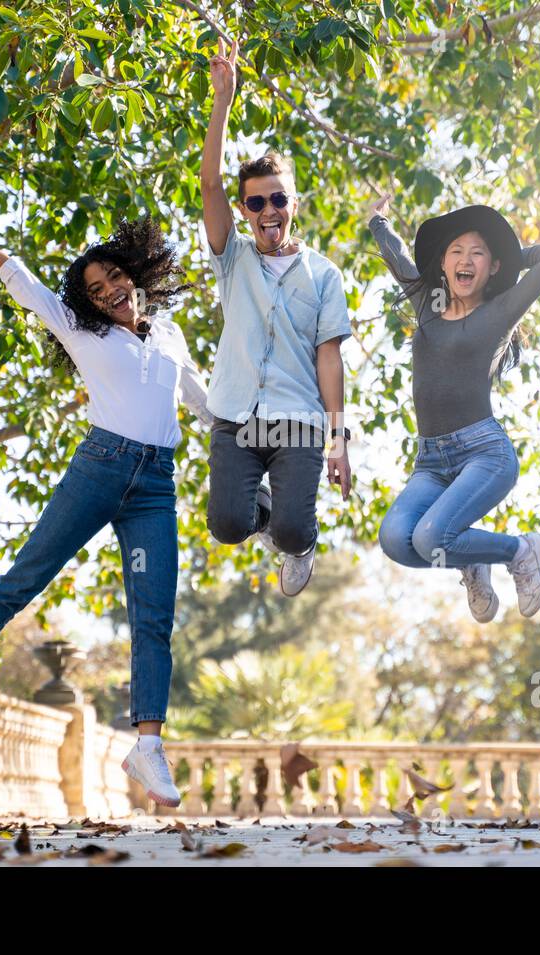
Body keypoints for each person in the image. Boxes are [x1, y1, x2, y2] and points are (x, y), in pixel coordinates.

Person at [0, 213, 215, 808]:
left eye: (115, 278)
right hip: (100, 469)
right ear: (86, 304)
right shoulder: (81, 330)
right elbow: (16, 275)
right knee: (23, 580)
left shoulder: (169, 333)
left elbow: (204, 405)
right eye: (96, 290)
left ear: (135, 275)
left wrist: (263, 466)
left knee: (153, 615)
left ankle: (147, 745)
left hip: (155, 484)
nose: (110, 292)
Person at [366, 193, 540, 622]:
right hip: (431, 461)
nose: (465, 259)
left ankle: (521, 550)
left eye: (478, 253)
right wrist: (377, 223)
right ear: (443, 264)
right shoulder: (428, 305)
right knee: (396, 540)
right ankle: (469, 559)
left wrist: (511, 256)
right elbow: (397, 256)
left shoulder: (501, 310)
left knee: (431, 536)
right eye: (456, 251)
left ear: (491, 267)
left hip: (484, 453)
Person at [200, 39, 353, 596]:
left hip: (298, 420)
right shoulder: (232, 258)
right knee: (228, 525)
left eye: (278, 200)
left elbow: (329, 358)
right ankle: (259, 509)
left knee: (291, 531)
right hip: (237, 417)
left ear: (293, 205)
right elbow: (210, 184)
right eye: (257, 203)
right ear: (245, 211)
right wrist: (224, 100)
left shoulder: (324, 275)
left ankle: (299, 546)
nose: (269, 211)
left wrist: (338, 440)